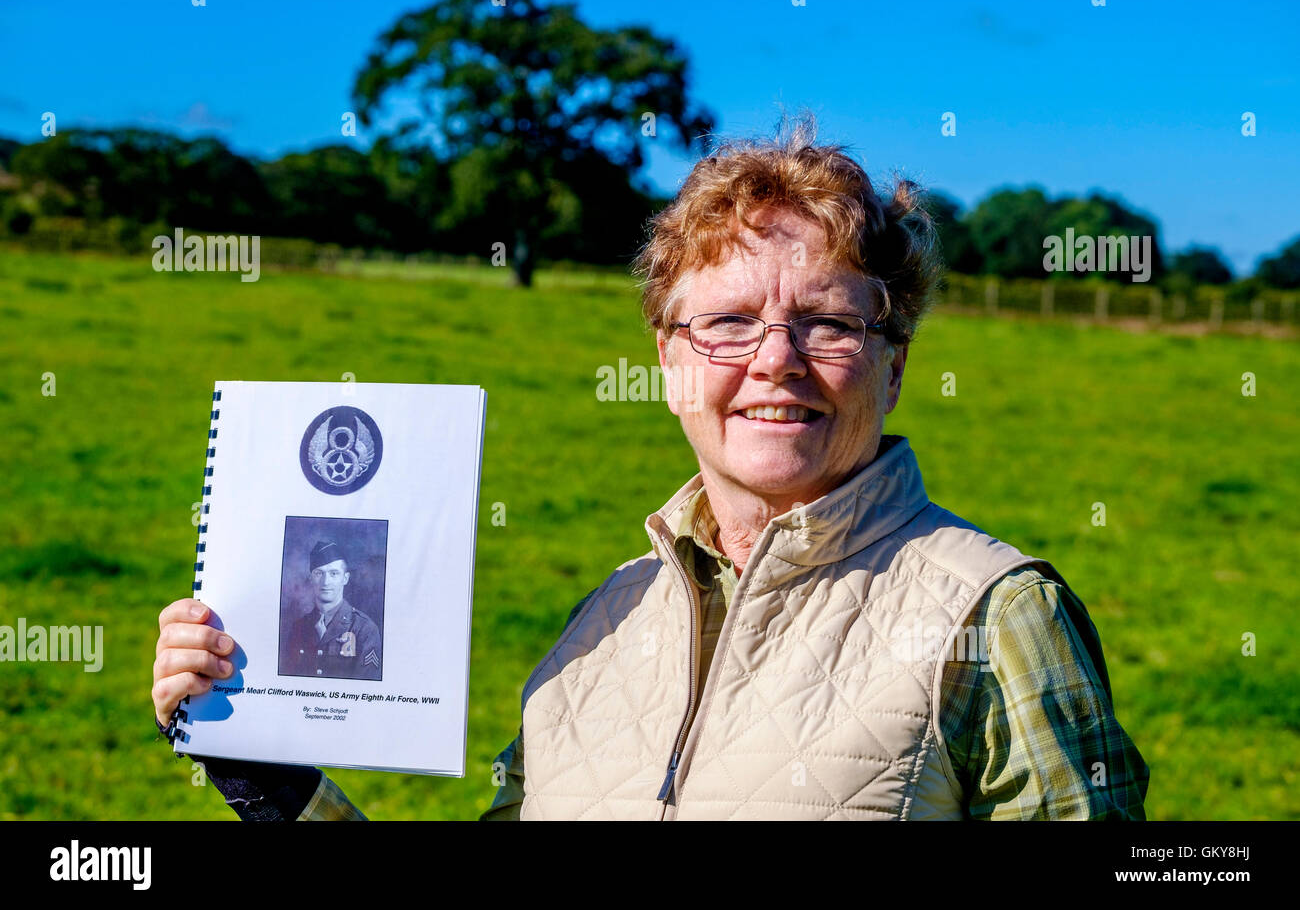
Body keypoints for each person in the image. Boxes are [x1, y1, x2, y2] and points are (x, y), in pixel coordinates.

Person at [152, 114, 1148, 820]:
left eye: (830, 322)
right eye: (725, 322)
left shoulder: (997, 611)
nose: (775, 358)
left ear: (892, 367)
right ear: (670, 366)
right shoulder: (602, 623)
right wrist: (267, 775)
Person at [281, 539, 382, 681]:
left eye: (334, 573)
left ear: (345, 578)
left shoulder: (365, 629)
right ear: (311, 578)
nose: (326, 582)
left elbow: (367, 688)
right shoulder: (299, 627)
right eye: (319, 573)